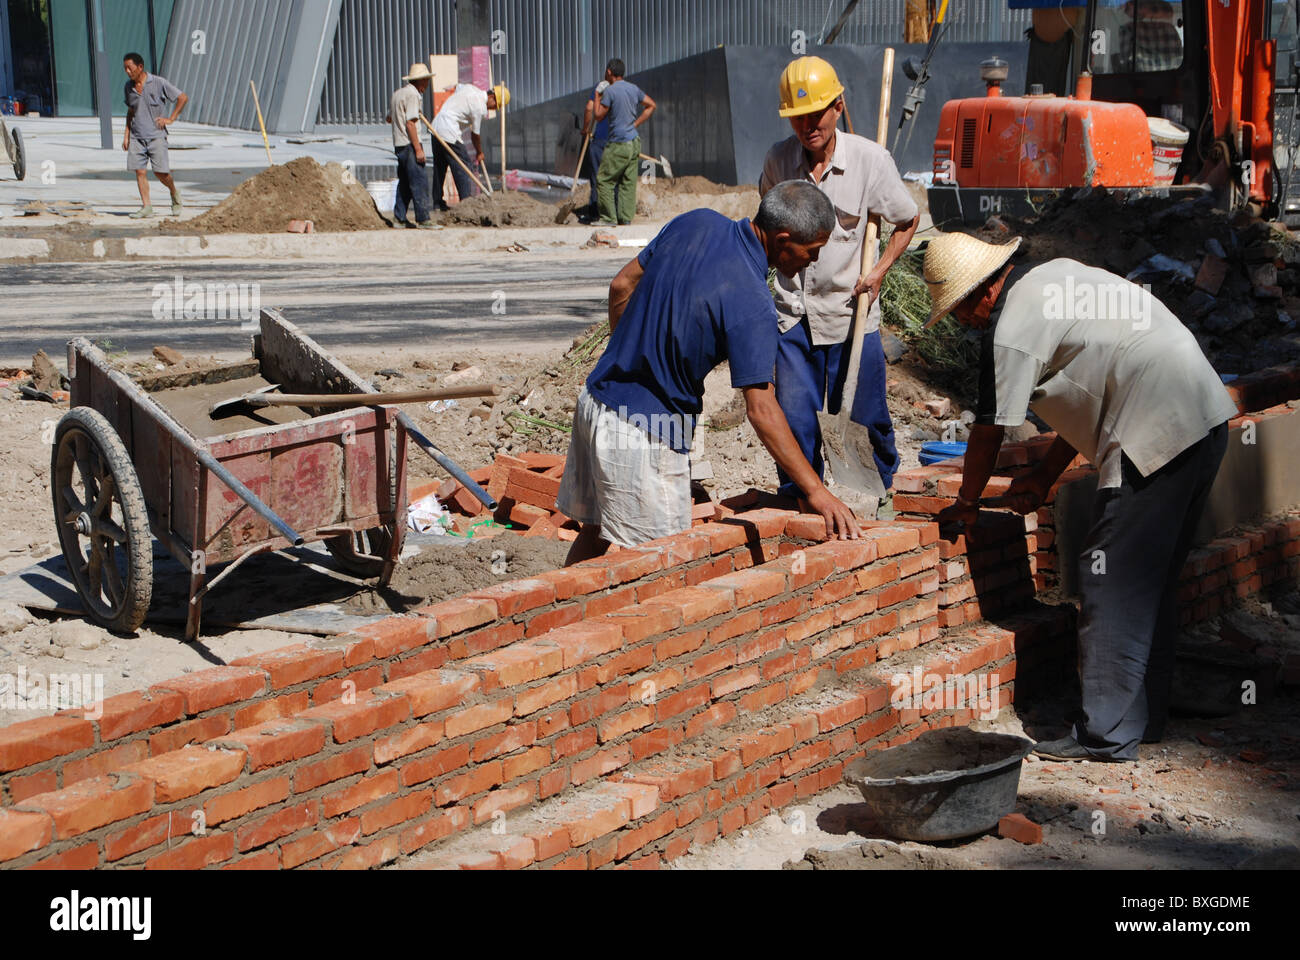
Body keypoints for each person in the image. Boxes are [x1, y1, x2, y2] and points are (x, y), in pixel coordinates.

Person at [923, 232, 1238, 763]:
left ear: (979, 292)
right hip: (1203, 418)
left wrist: (968, 502)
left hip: (1157, 431)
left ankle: (1107, 735)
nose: (962, 324)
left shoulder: (1011, 330)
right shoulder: (1057, 276)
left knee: (1109, 580)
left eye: (956, 312)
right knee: (1147, 583)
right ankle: (1142, 719)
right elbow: (1095, 389)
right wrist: (1043, 478)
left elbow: (989, 429)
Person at [557, 180, 862, 564]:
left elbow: (621, 285)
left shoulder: (696, 223)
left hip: (595, 402)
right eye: (812, 250)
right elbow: (761, 410)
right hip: (645, 431)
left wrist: (632, 355)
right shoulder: (753, 304)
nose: (813, 260)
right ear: (783, 239)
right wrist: (817, 491)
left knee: (597, 532)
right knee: (664, 568)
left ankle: (555, 620)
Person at [759, 56, 920, 513]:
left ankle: (882, 498)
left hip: (852, 317)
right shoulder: (778, 161)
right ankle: (800, 505)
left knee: (867, 420)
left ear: (838, 107)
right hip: (793, 318)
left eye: (817, 114)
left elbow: (908, 220)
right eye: (798, 117)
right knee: (794, 422)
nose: (808, 125)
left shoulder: (870, 161)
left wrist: (879, 270)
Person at [122, 53, 187, 219]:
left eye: (130, 68)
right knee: (140, 172)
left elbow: (182, 97)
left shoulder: (159, 83)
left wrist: (171, 118)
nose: (128, 71)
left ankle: (174, 192)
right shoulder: (128, 87)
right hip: (137, 136)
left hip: (156, 135)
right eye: (125, 69)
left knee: (161, 173)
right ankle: (147, 206)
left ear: (140, 67)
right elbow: (131, 111)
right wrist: (126, 135)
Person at [593, 59, 656, 226]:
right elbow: (651, 105)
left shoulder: (610, 92)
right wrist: (635, 124)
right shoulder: (633, 89)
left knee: (605, 180)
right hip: (634, 141)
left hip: (618, 143)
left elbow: (599, 115)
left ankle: (608, 218)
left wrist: (597, 95)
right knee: (628, 182)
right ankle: (625, 218)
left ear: (608, 72)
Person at [430, 82, 508, 210]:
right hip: (449, 130)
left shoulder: (471, 89)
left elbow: (458, 86)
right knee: (464, 166)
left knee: (440, 167)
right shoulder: (480, 108)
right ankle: (466, 205)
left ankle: (438, 203)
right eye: (495, 106)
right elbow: (475, 135)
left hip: (436, 127)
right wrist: (479, 152)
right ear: (492, 97)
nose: (493, 109)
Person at [387, 63, 435, 228]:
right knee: (419, 181)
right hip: (409, 144)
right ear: (421, 81)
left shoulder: (398, 94)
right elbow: (410, 124)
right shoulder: (413, 95)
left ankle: (399, 218)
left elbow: (389, 118)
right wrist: (418, 149)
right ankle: (423, 219)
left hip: (399, 145)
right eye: (427, 81)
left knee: (405, 183)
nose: (427, 85)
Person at [581, 79, 612, 222]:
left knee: (596, 178)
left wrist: (585, 129)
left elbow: (589, 108)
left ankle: (595, 213)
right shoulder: (622, 91)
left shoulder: (600, 89)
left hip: (600, 141)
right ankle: (614, 213)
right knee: (613, 178)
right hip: (617, 141)